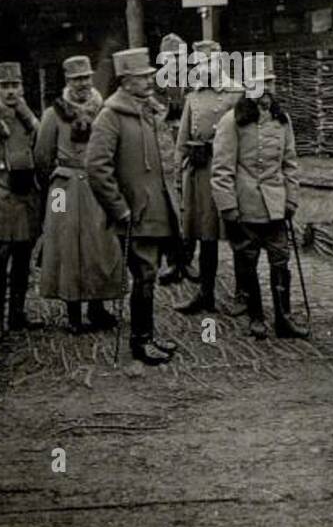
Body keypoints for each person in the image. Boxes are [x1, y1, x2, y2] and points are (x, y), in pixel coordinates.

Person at [85, 47, 182, 365]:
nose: (149, 80)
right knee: (144, 275)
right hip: (134, 213)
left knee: (149, 277)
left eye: (150, 75)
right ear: (126, 81)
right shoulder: (110, 116)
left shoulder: (148, 112)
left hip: (156, 209)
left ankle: (148, 335)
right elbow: (97, 167)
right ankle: (140, 342)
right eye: (142, 77)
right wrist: (119, 209)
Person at [210, 54, 308, 340]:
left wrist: (291, 199)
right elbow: (222, 168)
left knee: (281, 261)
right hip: (246, 206)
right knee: (248, 261)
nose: (265, 89)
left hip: (277, 207)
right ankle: (256, 317)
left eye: (269, 82)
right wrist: (228, 207)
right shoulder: (232, 121)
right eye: (259, 83)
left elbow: (290, 163)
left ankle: (284, 318)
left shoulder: (282, 120)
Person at [33, 55, 119, 335]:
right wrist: (54, 187)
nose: (82, 84)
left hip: (96, 184)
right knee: (65, 242)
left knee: (99, 244)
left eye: (86, 78)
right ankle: (72, 311)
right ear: (67, 81)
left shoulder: (104, 110)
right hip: (63, 187)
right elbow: (42, 156)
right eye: (76, 79)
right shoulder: (53, 114)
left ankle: (97, 307)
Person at [174, 39, 243, 315]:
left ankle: (243, 292)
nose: (203, 68)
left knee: (238, 233)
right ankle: (205, 293)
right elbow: (182, 139)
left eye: (208, 62)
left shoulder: (237, 93)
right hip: (200, 173)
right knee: (206, 235)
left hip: (228, 171)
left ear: (221, 62)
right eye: (199, 63)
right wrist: (179, 175)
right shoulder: (193, 96)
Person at [0, 61, 42, 334]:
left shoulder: (27, 117)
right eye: (5, 86)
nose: (11, 92)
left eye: (15, 86)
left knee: (23, 262)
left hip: (24, 200)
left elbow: (39, 148)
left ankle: (17, 313)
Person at [153, 33, 195, 284]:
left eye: (179, 58)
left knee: (189, 208)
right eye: (169, 58)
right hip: (163, 156)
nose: (175, 63)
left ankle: (187, 260)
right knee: (167, 210)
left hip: (187, 154)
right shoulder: (155, 87)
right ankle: (171, 261)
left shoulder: (192, 84)